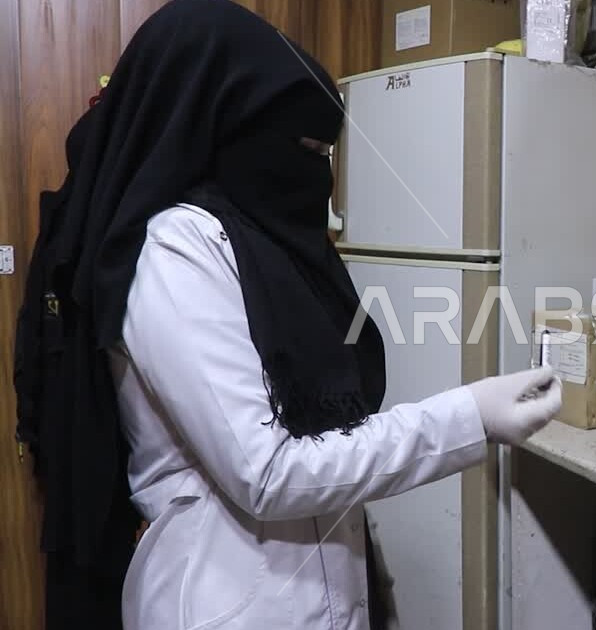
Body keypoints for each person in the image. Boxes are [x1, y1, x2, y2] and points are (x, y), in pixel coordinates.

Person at [11, 1, 561, 628]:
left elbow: (326, 431)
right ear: (222, 125)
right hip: (225, 605)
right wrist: (470, 417)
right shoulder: (177, 248)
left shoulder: (269, 247)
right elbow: (268, 472)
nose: (317, 173)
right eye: (303, 146)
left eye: (325, 151)